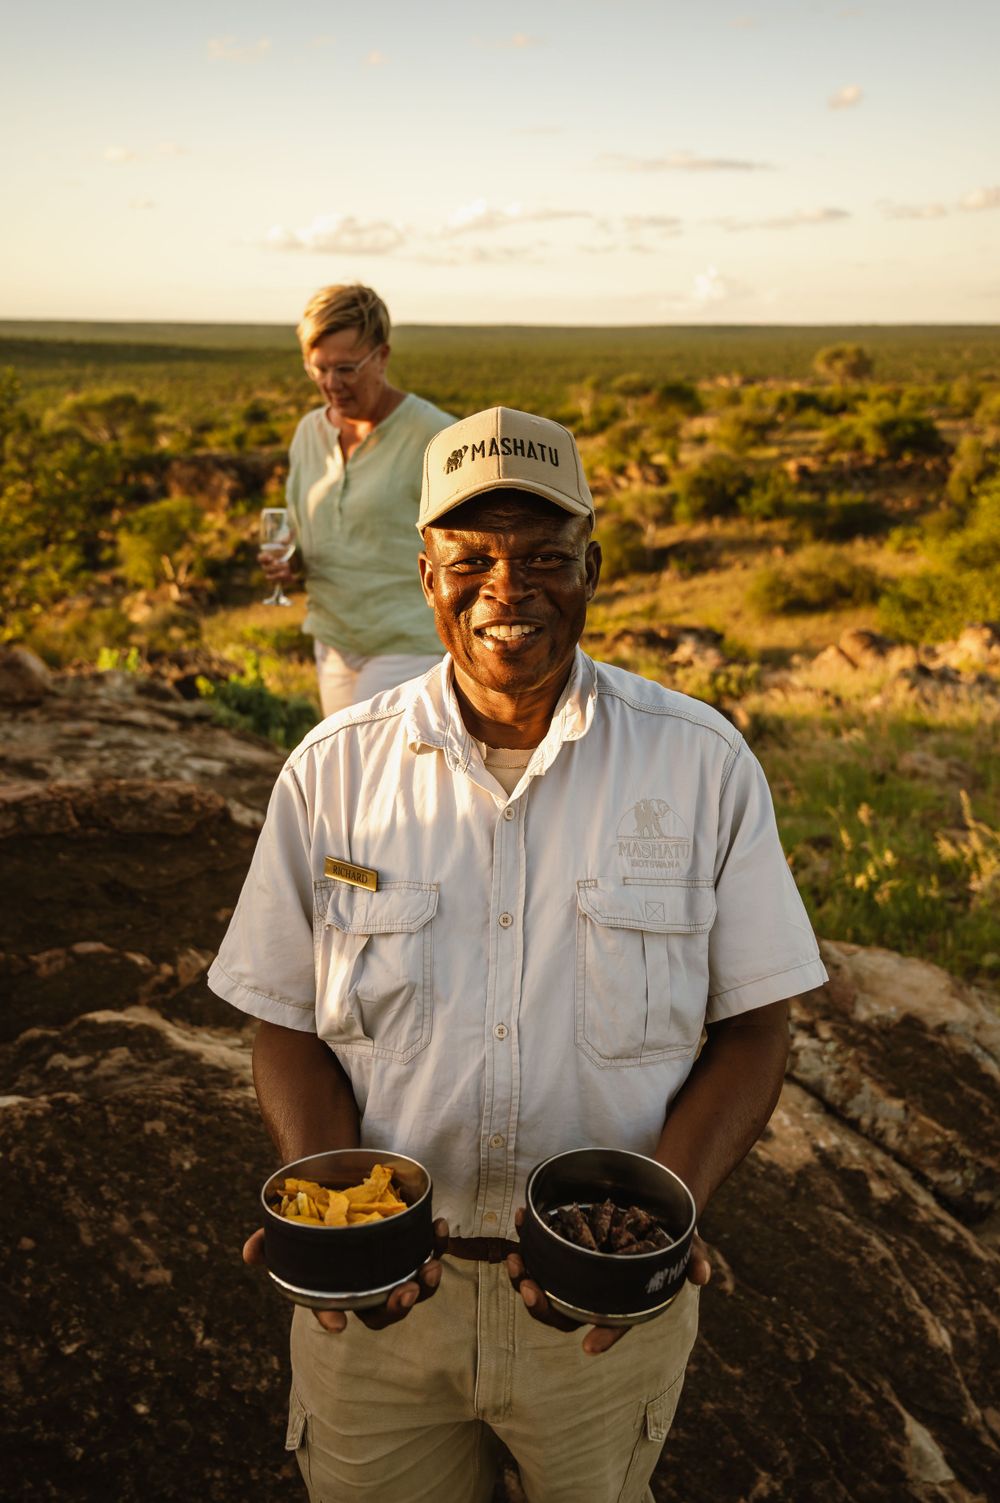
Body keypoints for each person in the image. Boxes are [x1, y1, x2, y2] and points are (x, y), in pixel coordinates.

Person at [211, 405, 829, 1502]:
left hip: (601, 1329)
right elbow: (285, 1021)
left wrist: (657, 1221)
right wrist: (330, 1209)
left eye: (546, 557)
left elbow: (754, 1024)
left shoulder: (700, 765)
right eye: (473, 559)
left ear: (593, 568)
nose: (508, 589)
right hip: (384, 1329)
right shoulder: (334, 771)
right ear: (426, 571)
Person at [260, 283, 453, 717]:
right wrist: (288, 563)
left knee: (379, 776)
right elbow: (302, 531)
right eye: (318, 368)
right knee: (344, 776)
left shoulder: (434, 436)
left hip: (408, 643)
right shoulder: (308, 433)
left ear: (382, 356)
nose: (331, 384)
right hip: (331, 640)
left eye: (346, 369)